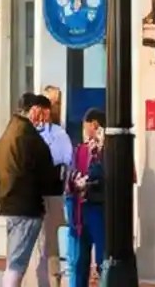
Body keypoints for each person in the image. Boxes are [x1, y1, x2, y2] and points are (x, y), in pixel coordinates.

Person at [0, 93, 57, 287]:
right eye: (46, 114)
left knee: (14, 260)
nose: (46, 121)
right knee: (17, 264)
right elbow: (48, 174)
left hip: (10, 203)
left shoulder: (8, 134)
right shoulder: (29, 137)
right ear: (35, 110)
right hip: (26, 207)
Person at [28, 91, 72, 287]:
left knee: (51, 244)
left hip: (52, 194)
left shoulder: (59, 135)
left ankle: (53, 282)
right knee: (33, 244)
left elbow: (68, 163)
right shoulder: (25, 134)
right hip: (30, 195)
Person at [67, 109, 107, 287]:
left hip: (99, 208)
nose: (85, 132)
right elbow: (71, 173)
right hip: (80, 210)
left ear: (95, 125)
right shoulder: (80, 150)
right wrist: (76, 181)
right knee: (79, 261)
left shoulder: (108, 151)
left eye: (86, 127)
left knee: (102, 260)